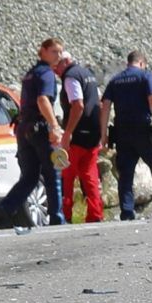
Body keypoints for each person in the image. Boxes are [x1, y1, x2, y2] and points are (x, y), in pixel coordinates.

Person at [0, 39, 67, 227]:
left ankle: (5, 208)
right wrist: (54, 126)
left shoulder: (30, 74)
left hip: (24, 128)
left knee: (30, 176)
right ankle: (57, 218)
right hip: (40, 129)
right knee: (52, 173)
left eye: (60, 52)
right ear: (42, 51)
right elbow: (43, 100)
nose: (58, 56)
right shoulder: (46, 74)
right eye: (54, 51)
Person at [100, 50, 152, 220]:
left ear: (129, 63)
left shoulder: (115, 80)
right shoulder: (145, 76)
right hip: (143, 132)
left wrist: (103, 134)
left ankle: (127, 211)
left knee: (125, 174)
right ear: (141, 63)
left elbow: (105, 106)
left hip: (122, 133)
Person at [54, 45, 104, 223]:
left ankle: (64, 215)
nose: (55, 70)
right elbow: (99, 102)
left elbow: (78, 105)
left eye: (57, 66)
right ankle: (95, 214)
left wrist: (67, 133)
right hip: (93, 133)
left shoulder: (71, 76)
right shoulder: (88, 74)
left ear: (66, 62)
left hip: (78, 134)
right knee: (90, 176)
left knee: (67, 175)